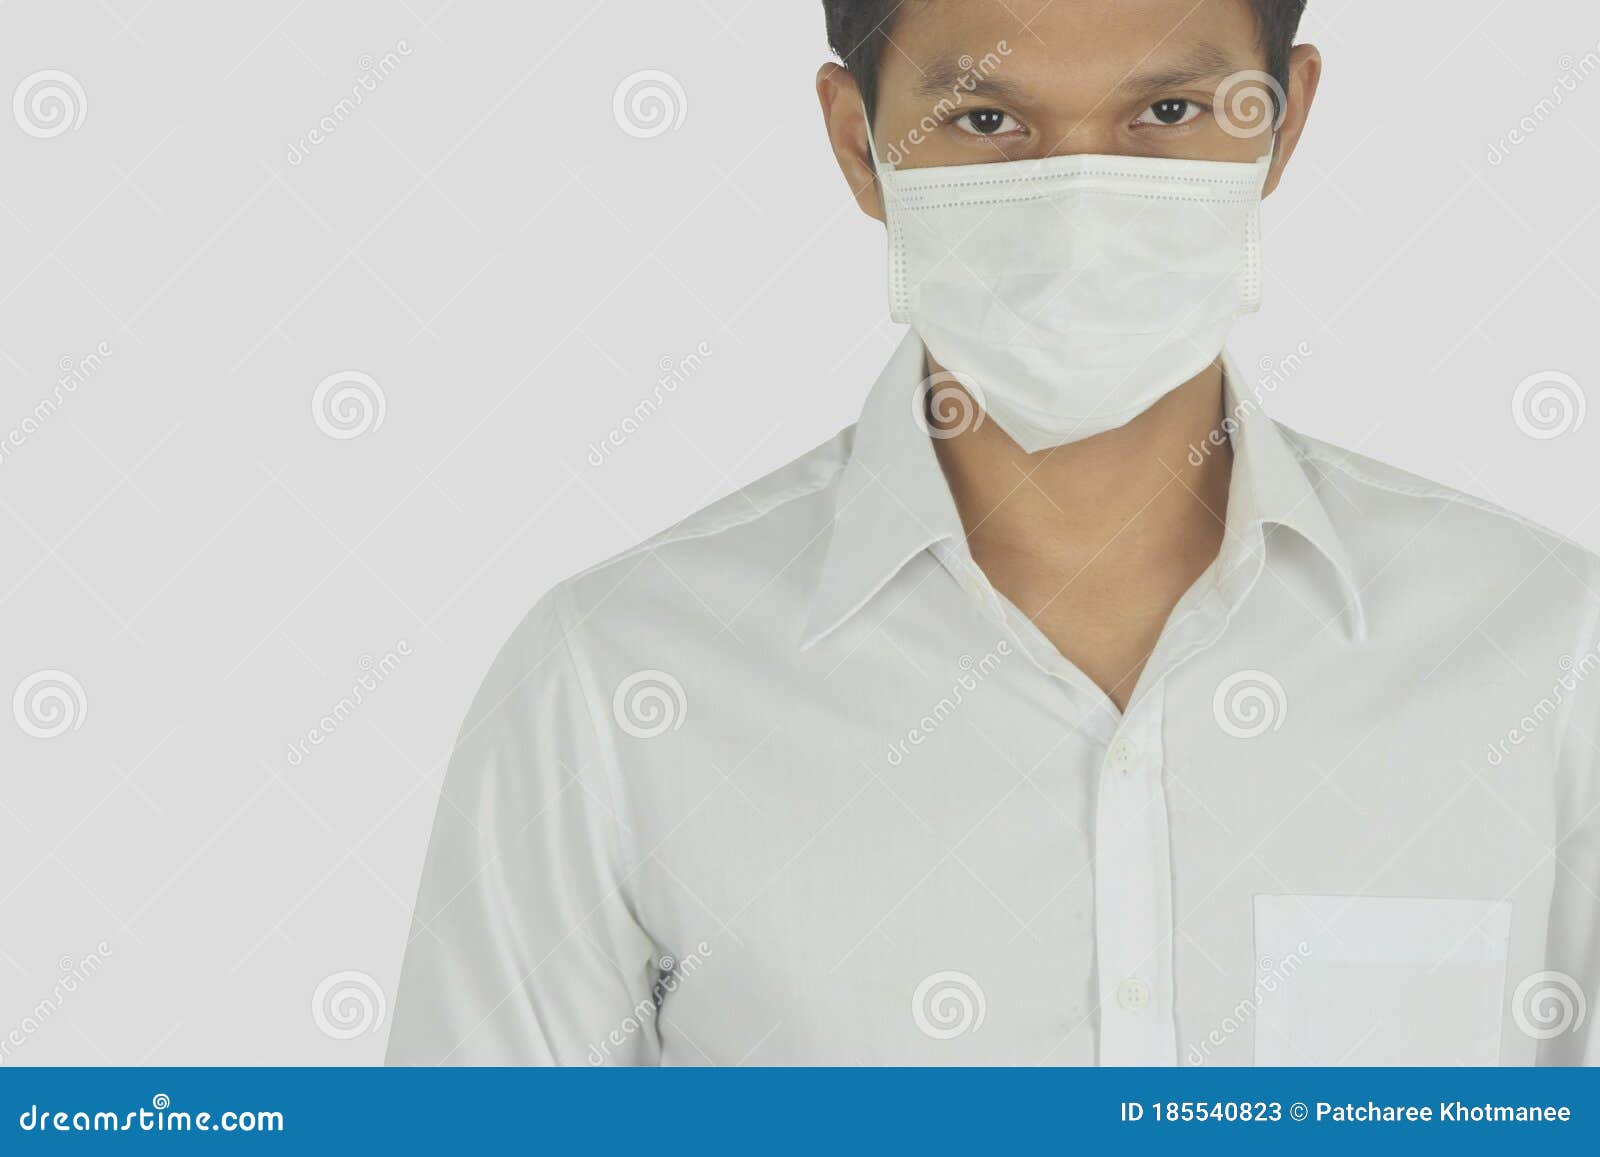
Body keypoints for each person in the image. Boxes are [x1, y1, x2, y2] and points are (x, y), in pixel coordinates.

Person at [387, 0, 1600, 1066]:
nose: (1078, 201)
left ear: (1282, 121)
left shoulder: (1550, 653)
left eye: (1167, 110)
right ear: (857, 141)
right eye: (985, 120)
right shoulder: (616, 681)